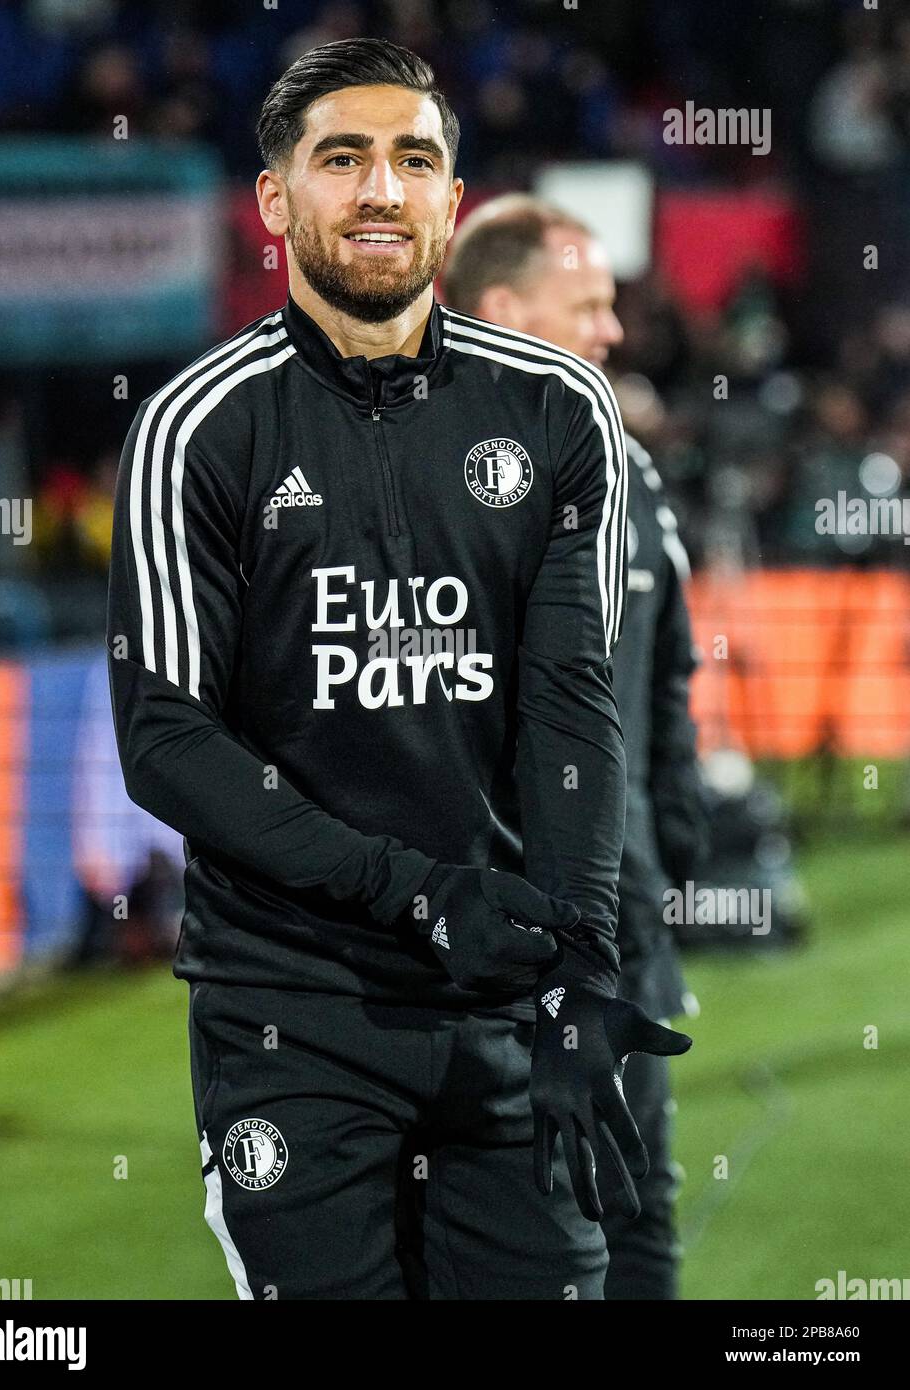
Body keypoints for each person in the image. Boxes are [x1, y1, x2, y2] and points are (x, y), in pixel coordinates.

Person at [106, 38, 691, 1301]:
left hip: (506, 999)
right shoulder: (194, 429)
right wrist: (419, 892)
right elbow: (165, 739)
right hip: (294, 1017)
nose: (382, 189)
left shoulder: (554, 408)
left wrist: (586, 967)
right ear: (276, 201)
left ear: (452, 200)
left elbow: (573, 710)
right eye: (344, 159)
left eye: (414, 159)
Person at [441, 194, 706, 1299]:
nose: (610, 330)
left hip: (618, 928)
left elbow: (667, 683)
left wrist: (667, 853)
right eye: (586, 305)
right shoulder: (423, 477)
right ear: (504, 310)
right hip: (478, 947)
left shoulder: (633, 478)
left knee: (636, 1214)